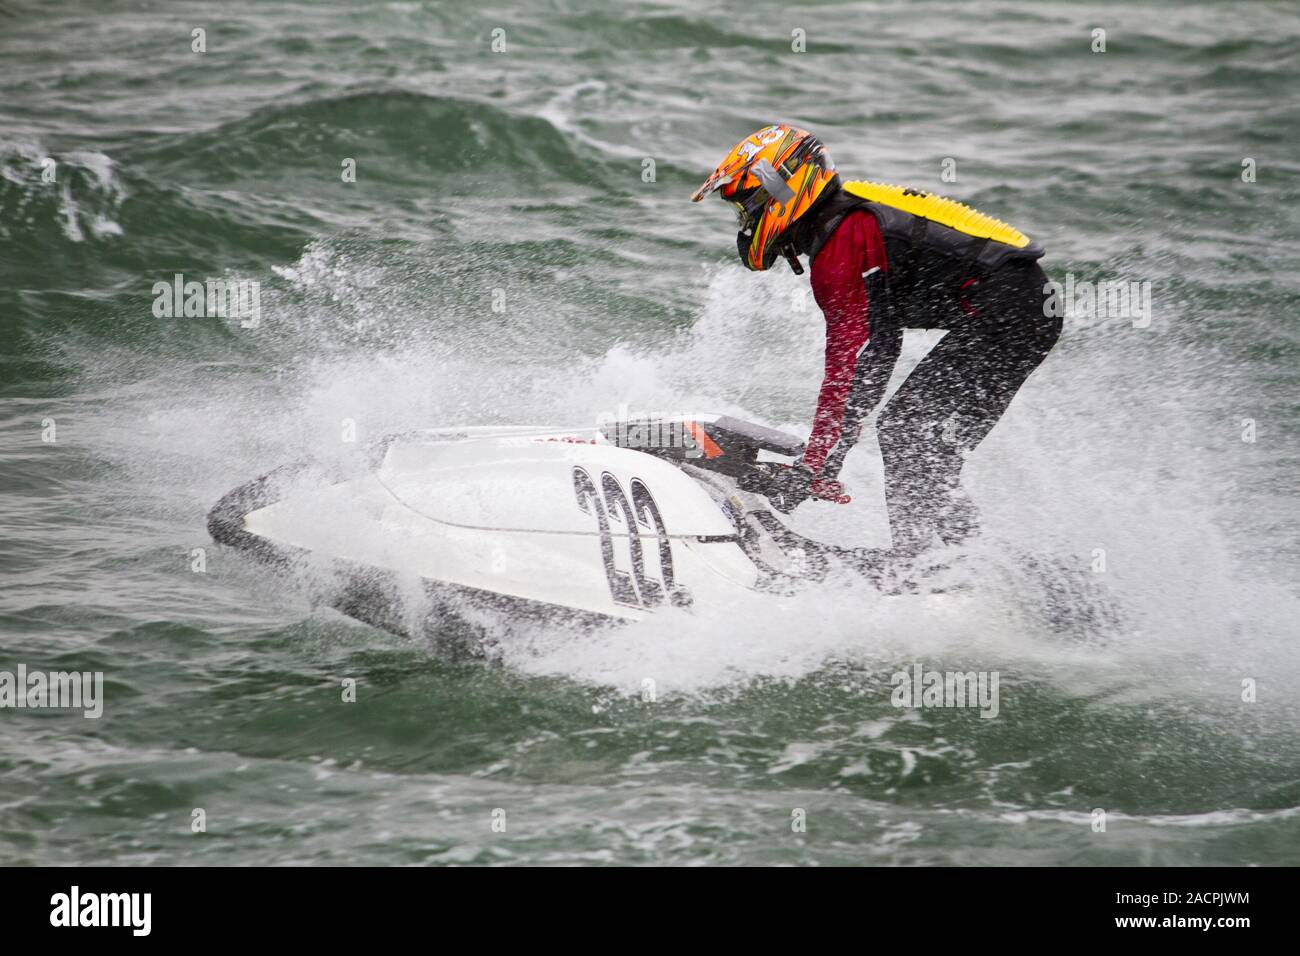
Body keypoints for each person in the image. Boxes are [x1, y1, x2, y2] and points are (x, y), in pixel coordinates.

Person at [691, 124, 1062, 559]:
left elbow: (865, 356)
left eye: (747, 206)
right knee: (925, 445)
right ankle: (977, 561)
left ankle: (922, 564)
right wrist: (826, 458)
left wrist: (818, 462)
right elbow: (879, 345)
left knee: (908, 433)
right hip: (1025, 307)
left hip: (1014, 312)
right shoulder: (844, 218)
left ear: (784, 187)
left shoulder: (842, 244)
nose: (746, 221)